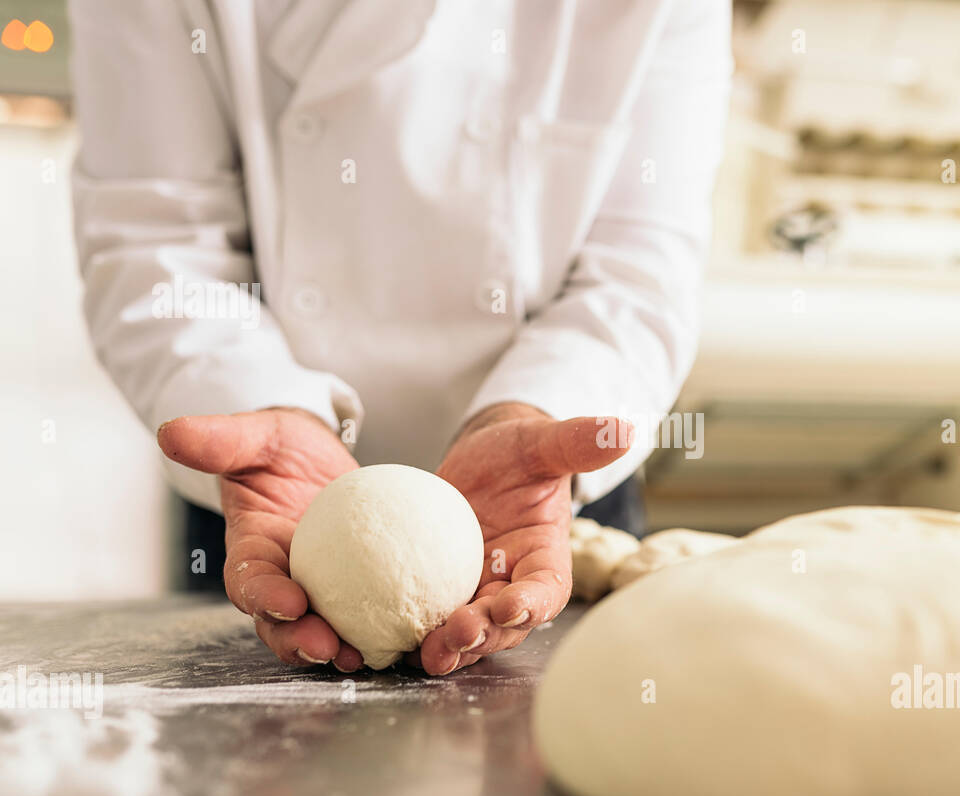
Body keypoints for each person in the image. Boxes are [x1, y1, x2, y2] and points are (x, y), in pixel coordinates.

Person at [67, 0, 731, 674]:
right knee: (260, 759)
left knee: (582, 747)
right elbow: (157, 237)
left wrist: (533, 409)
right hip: (270, 505)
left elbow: (640, 267)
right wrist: (257, 402)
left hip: (541, 489)